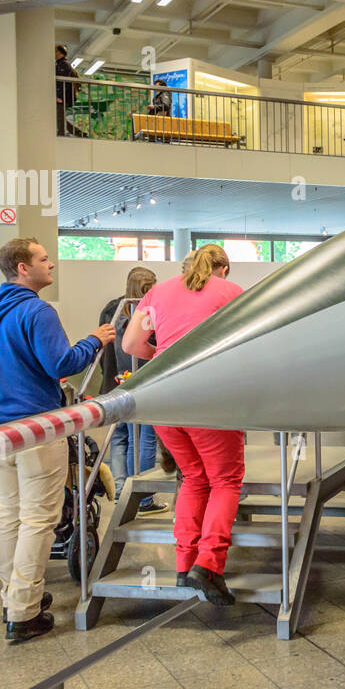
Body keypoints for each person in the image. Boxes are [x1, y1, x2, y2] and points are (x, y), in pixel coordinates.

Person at [0, 238, 115, 644]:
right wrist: (95, 340)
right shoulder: (37, 311)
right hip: (36, 429)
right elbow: (61, 363)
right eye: (44, 259)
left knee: (10, 514)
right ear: (22, 268)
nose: (52, 264)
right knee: (38, 518)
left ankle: (13, 596)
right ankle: (24, 611)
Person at [122, 244, 243, 605]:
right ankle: (208, 566)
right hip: (209, 398)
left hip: (162, 396)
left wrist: (163, 356)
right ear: (224, 268)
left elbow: (131, 343)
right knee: (225, 480)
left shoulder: (158, 292)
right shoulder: (229, 291)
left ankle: (183, 565)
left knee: (193, 477)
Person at [99, 266, 166, 513]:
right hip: (144, 383)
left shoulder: (112, 310)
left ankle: (121, 491)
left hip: (116, 381)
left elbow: (104, 347)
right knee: (144, 440)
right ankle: (143, 498)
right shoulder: (148, 313)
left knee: (121, 438)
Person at [55, 44, 77, 137]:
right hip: (64, 96)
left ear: (60, 53)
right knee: (59, 118)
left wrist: (59, 96)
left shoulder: (63, 64)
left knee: (59, 118)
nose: (55, 54)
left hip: (63, 97)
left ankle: (61, 135)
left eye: (56, 52)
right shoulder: (61, 64)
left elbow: (62, 82)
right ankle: (79, 133)